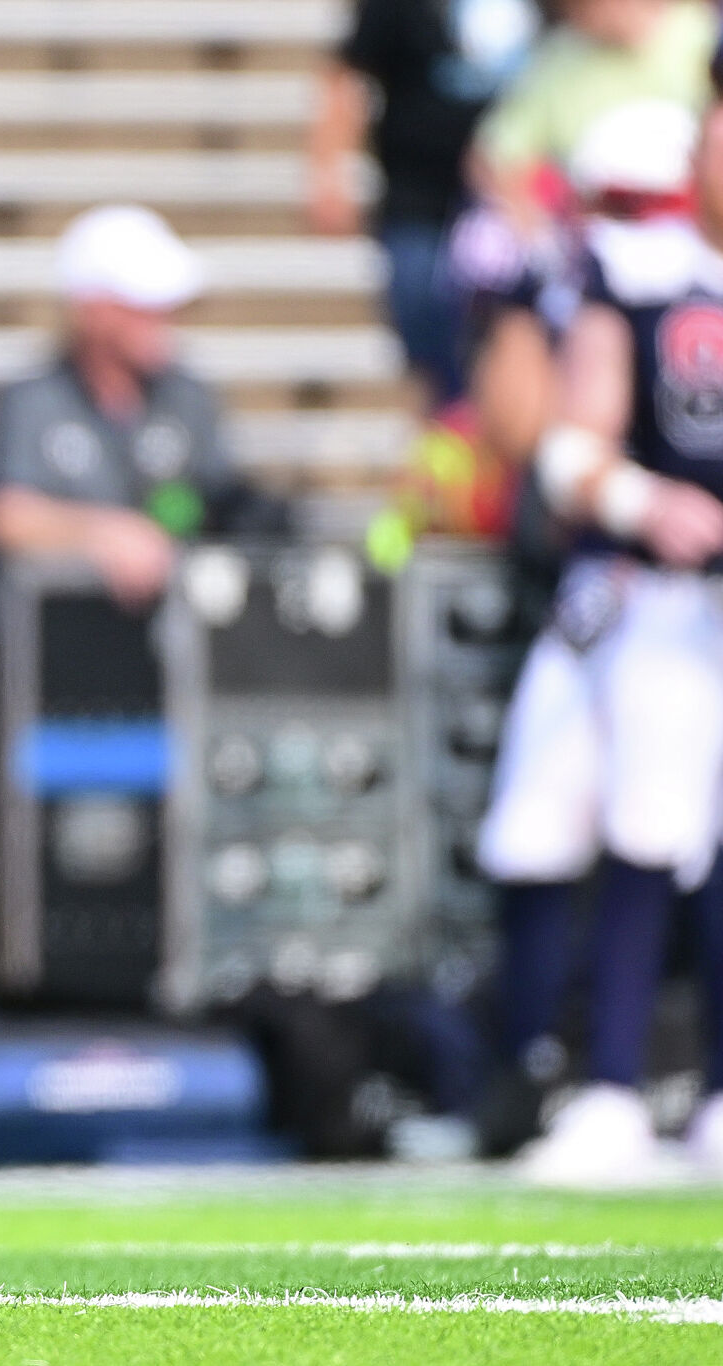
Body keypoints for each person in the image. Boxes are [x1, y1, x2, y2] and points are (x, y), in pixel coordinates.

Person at [478, 98, 723, 1183]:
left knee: (682, 834)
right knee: (618, 824)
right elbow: (561, 448)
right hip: (644, 601)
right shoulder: (626, 287)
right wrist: (641, 506)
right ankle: (593, 1083)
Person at [0, 203, 285, 964]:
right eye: (144, 302)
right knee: (18, 838)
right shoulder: (30, 400)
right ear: (95, 309)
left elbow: (220, 505)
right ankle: (11, 981)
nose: (164, 319)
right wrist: (104, 534)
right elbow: (9, 512)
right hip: (22, 673)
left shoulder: (189, 402)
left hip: (148, 671)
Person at [310, 0, 539, 408]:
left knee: (516, 337)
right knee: (428, 346)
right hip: (417, 200)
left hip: (513, 200)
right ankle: (449, 439)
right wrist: (329, 175)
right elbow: (350, 72)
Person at [473, 0, 716, 242]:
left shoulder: (701, 32)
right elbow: (495, 157)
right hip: (599, 247)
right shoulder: (557, 63)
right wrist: (537, 229)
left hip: (699, 237)